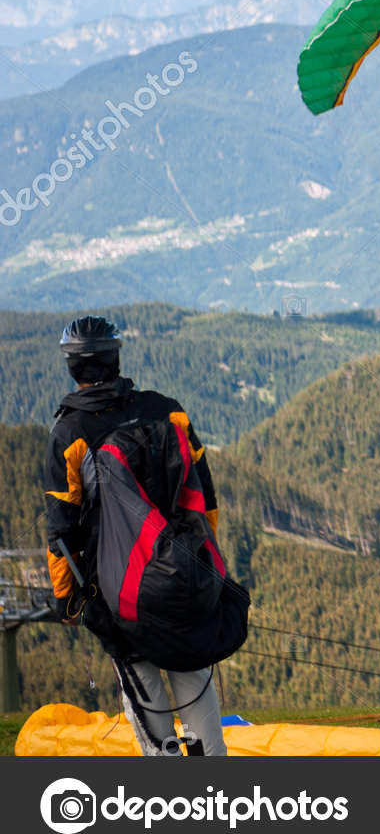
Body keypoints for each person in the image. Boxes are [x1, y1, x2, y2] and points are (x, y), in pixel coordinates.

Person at [45, 316, 245, 755]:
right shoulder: (167, 410)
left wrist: (66, 598)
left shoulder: (69, 435)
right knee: (193, 674)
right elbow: (205, 496)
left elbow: (61, 530)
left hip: (119, 589)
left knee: (143, 688)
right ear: (115, 358)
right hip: (186, 572)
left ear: (72, 366)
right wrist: (207, 561)